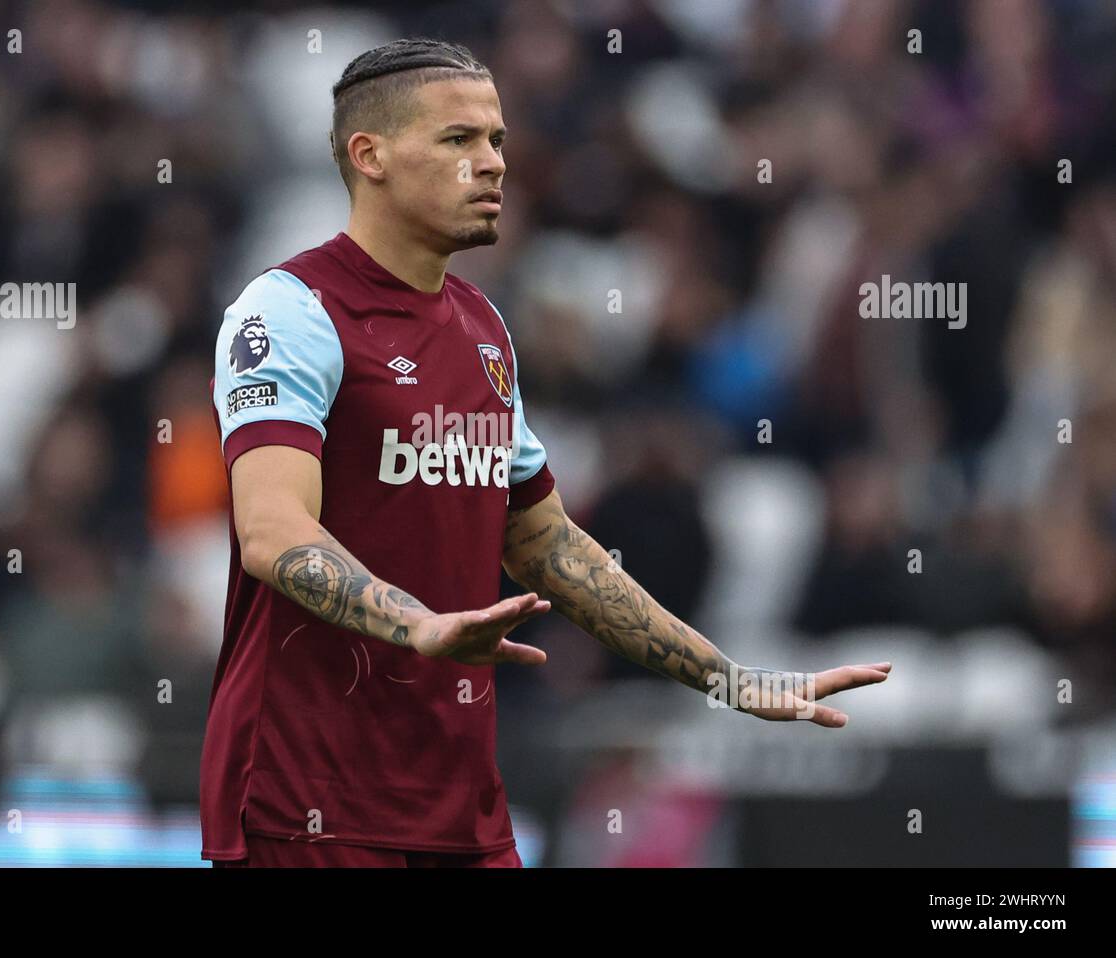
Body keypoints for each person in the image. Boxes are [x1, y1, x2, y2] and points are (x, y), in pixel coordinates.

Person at [201, 38, 891, 868]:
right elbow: (272, 529)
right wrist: (414, 623)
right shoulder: (289, 309)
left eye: (497, 140)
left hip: (459, 806)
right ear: (370, 155)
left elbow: (549, 548)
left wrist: (730, 680)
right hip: (306, 803)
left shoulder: (483, 330)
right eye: (459, 140)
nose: (493, 163)